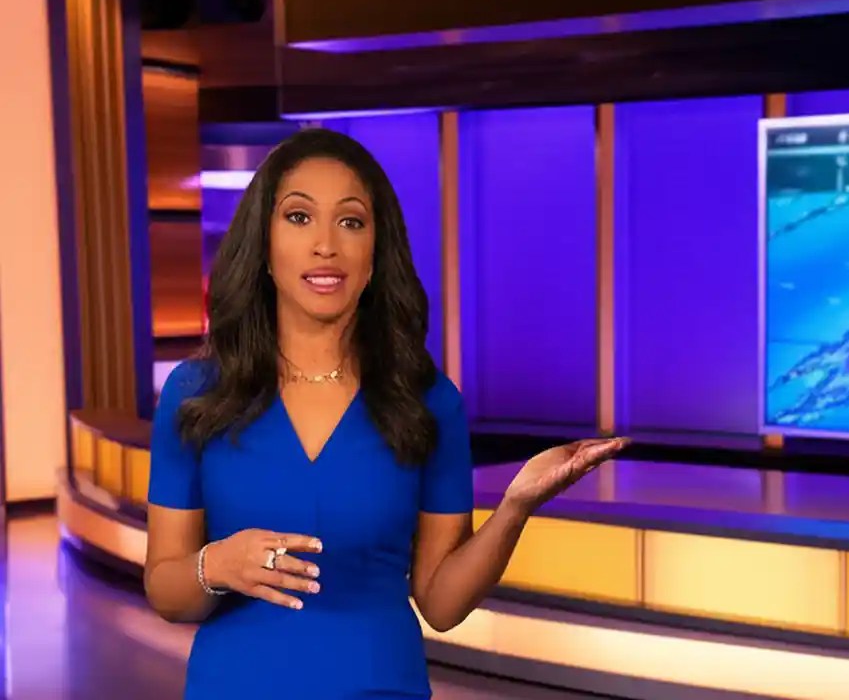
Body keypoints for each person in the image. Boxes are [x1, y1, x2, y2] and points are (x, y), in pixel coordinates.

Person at [143, 128, 629, 699]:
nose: (326, 244)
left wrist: (515, 508)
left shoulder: (426, 401)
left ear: (375, 254)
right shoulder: (197, 394)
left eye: (350, 222)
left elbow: (441, 603)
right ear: (264, 246)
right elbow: (165, 589)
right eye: (299, 218)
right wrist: (217, 565)